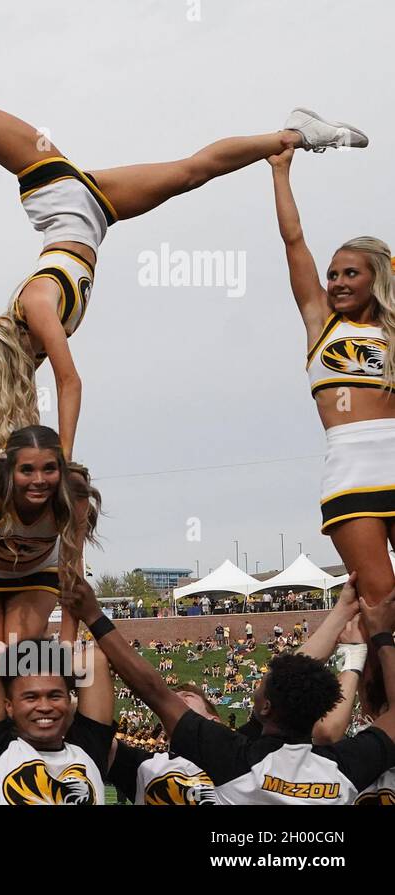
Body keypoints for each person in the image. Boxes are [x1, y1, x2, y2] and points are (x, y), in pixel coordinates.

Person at [0, 100, 366, 460]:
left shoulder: (33, 339)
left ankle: (292, 135)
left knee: (195, 171)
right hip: (71, 201)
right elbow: (72, 384)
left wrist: (53, 452)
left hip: (81, 216)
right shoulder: (36, 309)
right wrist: (61, 459)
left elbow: (35, 393)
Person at [61, 572, 395, 804]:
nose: (179, 698)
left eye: (190, 699)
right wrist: (362, 626)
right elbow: (296, 678)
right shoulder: (338, 768)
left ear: (216, 721)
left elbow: (152, 689)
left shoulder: (233, 755)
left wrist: (93, 615)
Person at [267, 147, 395, 646]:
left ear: (376, 278)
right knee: (379, 600)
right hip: (350, 473)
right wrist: (281, 170)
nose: (338, 282)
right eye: (334, 273)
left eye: (351, 273)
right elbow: (293, 239)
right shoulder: (321, 322)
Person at [0, 425, 101, 653]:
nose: (39, 480)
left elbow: (72, 570)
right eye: (27, 470)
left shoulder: (74, 493)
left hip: (38, 570)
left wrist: (68, 640)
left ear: (61, 468)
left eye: (49, 469)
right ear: (10, 470)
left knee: (21, 652)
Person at [0, 636, 114, 804]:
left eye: (54, 696)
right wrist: (11, 657)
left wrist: (50, 660)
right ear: (9, 706)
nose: (45, 707)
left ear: (68, 700)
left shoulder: (88, 751)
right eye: (31, 697)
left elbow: (95, 659)